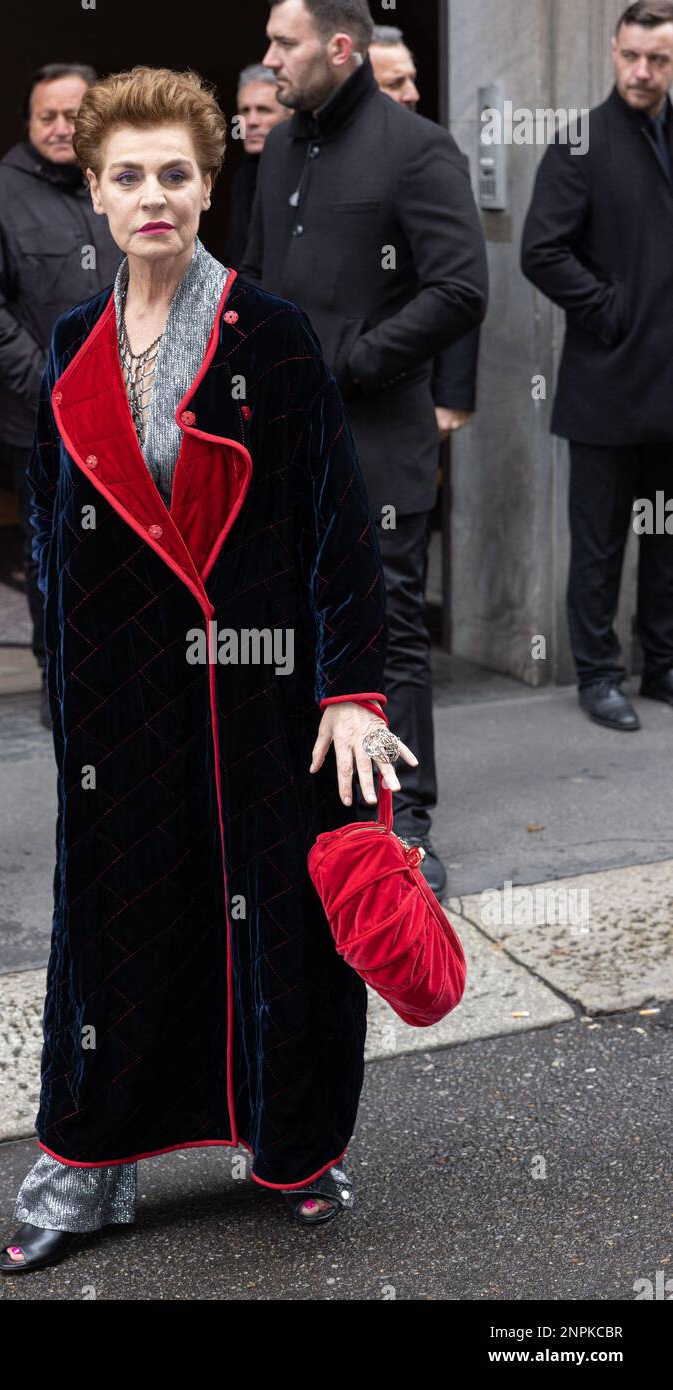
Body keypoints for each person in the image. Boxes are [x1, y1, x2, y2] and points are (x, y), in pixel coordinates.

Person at [0, 63, 417, 1273]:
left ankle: (294, 1145)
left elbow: (340, 528)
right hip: (121, 705)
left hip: (259, 692)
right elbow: (45, 535)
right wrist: (60, 694)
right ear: (93, 194)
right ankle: (88, 1167)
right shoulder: (72, 345)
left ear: (205, 180)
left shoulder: (272, 336)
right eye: (125, 177)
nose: (152, 197)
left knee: (279, 929)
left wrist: (349, 689)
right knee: (115, 930)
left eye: (173, 174)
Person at [238, 0, 488, 900]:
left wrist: (351, 360)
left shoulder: (418, 148)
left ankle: (406, 821)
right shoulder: (282, 149)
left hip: (379, 442)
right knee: (307, 629)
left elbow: (462, 287)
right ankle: (323, 804)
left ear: (339, 48)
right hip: (287, 445)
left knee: (389, 632)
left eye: (282, 43)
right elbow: (258, 276)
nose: (268, 60)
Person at [0, 63, 123, 728]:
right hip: (43, 422)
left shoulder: (125, 179)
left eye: (72, 114)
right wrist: (48, 382)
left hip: (135, 415)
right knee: (53, 552)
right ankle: (65, 681)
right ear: (29, 122)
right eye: (45, 115)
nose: (59, 127)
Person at [521, 0, 673, 730]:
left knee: (668, 537)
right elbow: (540, 251)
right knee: (601, 544)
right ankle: (599, 677)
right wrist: (613, 310)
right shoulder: (581, 140)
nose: (642, 72)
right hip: (608, 384)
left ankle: (664, 666)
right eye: (631, 57)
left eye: (659, 60)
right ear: (613, 51)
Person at [369, 24, 481, 445]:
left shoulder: (431, 156)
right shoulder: (313, 155)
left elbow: (460, 283)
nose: (413, 92)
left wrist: (452, 394)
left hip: (409, 380)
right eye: (396, 83)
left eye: (411, 78)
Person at [223, 64, 289, 266]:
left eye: (264, 110)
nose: (251, 121)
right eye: (244, 110)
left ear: (290, 115)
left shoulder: (307, 174)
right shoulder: (243, 178)